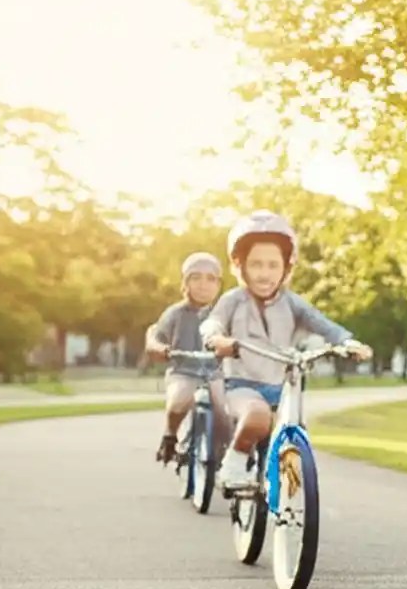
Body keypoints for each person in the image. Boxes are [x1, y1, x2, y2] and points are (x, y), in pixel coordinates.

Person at [200, 210, 373, 490]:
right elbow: (213, 323)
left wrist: (347, 343)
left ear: (286, 268)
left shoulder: (292, 303)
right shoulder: (233, 300)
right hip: (241, 386)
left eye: (272, 265)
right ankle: (232, 464)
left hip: (280, 387)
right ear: (239, 266)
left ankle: (288, 493)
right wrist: (216, 339)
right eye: (256, 264)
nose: (264, 273)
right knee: (258, 416)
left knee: (293, 430)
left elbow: (325, 325)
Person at [144, 251, 225, 465]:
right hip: (184, 371)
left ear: (218, 285)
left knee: (225, 406)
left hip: (216, 373)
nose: (203, 284)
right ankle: (170, 435)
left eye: (210, 279)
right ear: (185, 283)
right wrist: (161, 349)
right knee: (180, 398)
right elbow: (155, 337)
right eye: (195, 278)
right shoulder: (175, 313)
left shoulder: (224, 313)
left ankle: (225, 449)